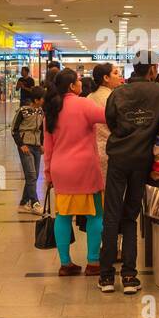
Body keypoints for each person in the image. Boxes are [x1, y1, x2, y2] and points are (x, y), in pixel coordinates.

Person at [100, 58, 159, 294]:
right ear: (153, 69)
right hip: (142, 159)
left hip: (118, 158)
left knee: (111, 215)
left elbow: (110, 121)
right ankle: (130, 276)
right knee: (131, 215)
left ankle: (106, 278)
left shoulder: (119, 93)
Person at [41, 68, 107, 277]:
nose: (81, 83)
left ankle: (65, 263)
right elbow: (107, 117)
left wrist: (48, 173)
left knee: (63, 216)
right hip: (85, 168)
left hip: (61, 170)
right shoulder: (84, 103)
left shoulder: (51, 109)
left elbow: (48, 147)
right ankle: (94, 262)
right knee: (95, 214)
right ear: (72, 86)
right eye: (78, 81)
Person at [86, 62, 122, 184]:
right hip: (110, 150)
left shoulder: (89, 97)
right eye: (116, 73)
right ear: (106, 78)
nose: (119, 76)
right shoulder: (113, 97)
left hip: (90, 150)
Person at [11, 86, 45, 214]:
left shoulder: (41, 111)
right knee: (31, 175)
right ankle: (35, 203)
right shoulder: (23, 111)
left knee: (34, 176)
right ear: (36, 100)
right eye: (42, 98)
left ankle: (23, 203)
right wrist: (21, 144)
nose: (44, 101)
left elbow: (41, 129)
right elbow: (14, 130)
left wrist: (42, 143)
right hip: (25, 146)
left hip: (36, 146)